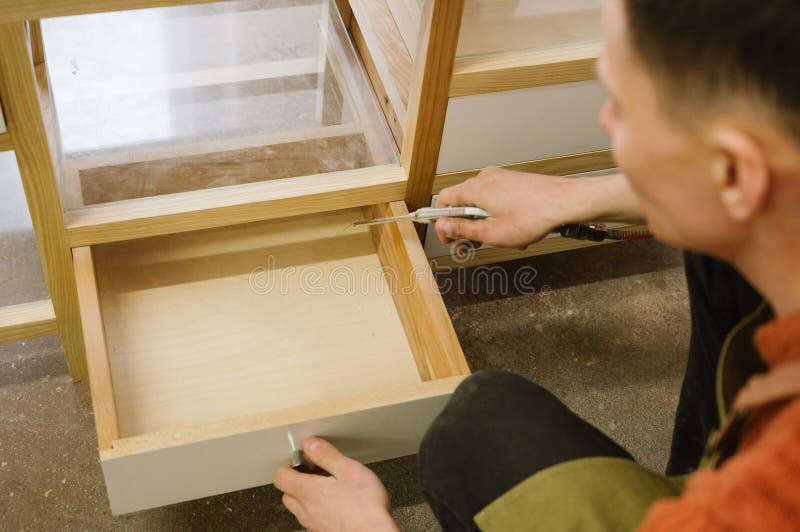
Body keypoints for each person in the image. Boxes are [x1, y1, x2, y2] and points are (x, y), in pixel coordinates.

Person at [273, 0, 800, 529]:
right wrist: (577, 197)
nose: (605, 119)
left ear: (735, 172)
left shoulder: (770, 495)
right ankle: (704, 458)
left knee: (475, 434)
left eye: (622, 104)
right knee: (718, 258)